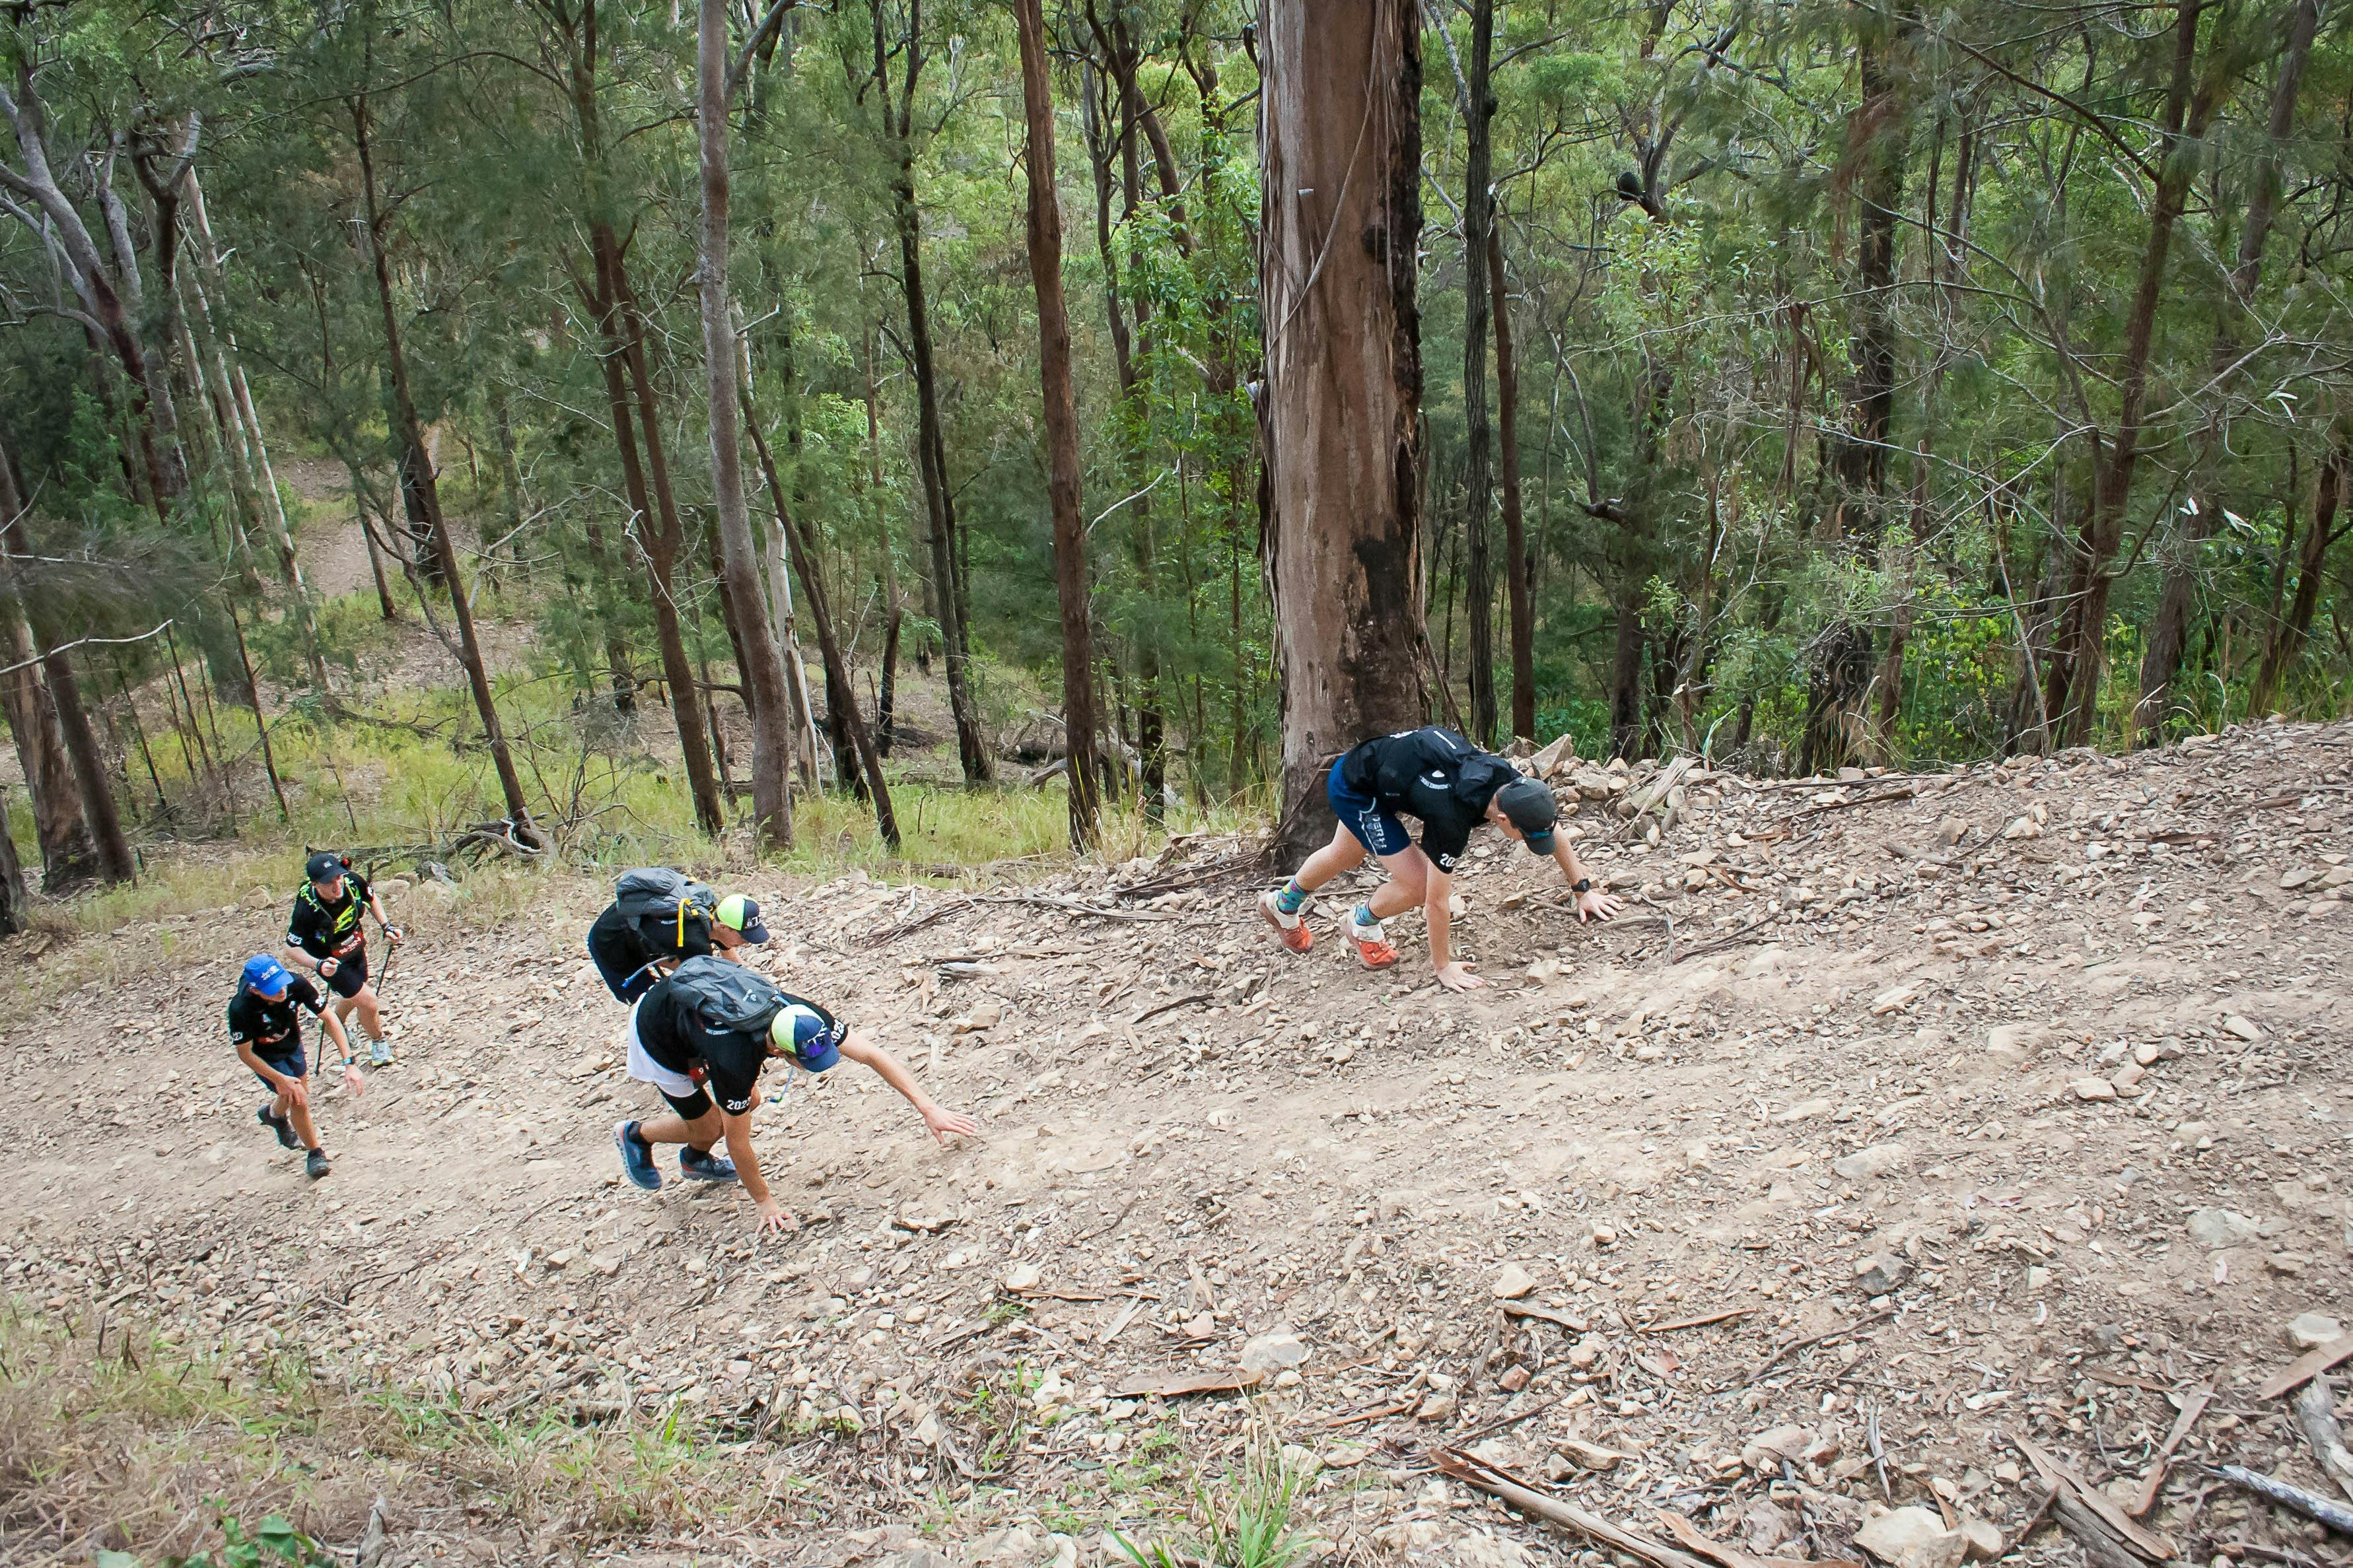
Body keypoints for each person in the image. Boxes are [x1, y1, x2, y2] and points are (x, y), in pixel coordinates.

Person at [612, 957, 978, 1231]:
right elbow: (739, 1142)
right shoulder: (735, 1059)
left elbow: (871, 1055)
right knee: (713, 1127)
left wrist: (927, 1107)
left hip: (690, 1017)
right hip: (657, 1039)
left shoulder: (801, 1016)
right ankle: (636, 1135)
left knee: (749, 1103)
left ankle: (695, 1160)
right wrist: (765, 1202)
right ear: (778, 1051)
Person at [1257, 725, 1623, 991]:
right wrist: (1443, 966)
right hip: (1357, 787)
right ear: (1503, 819)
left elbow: (1549, 828)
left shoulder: (1511, 783)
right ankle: (1360, 924)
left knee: (1345, 853)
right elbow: (1436, 901)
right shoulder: (1452, 816)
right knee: (1417, 885)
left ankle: (1283, 905)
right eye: (1525, 836)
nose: (1530, 841)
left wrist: (1583, 890)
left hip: (1383, 770)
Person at [228, 954, 363, 1180]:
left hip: (291, 1044)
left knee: (295, 1093)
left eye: (281, 983)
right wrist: (279, 1079)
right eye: (273, 989)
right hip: (265, 1057)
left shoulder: (296, 983)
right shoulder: (240, 1009)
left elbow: (330, 1018)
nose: (281, 991)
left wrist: (349, 1063)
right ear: (255, 990)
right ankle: (315, 1154)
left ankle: (273, 1114)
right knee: (298, 1098)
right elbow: (245, 1053)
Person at [284, 850, 405, 1065]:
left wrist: (386, 926)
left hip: (355, 947)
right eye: (328, 882)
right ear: (315, 884)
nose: (336, 885)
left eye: (338, 877)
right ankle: (379, 1042)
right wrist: (318, 965)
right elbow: (291, 948)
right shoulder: (306, 909)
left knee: (356, 993)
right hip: (331, 961)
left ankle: (334, 1023)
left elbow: (371, 898)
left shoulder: (351, 882)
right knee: (368, 1002)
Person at [588, 889, 768, 1005]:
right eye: (743, 938)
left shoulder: (708, 905)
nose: (746, 942)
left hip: (630, 922)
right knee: (646, 1000)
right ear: (723, 927)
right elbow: (701, 983)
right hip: (610, 941)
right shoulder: (694, 943)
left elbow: (727, 951)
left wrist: (751, 984)